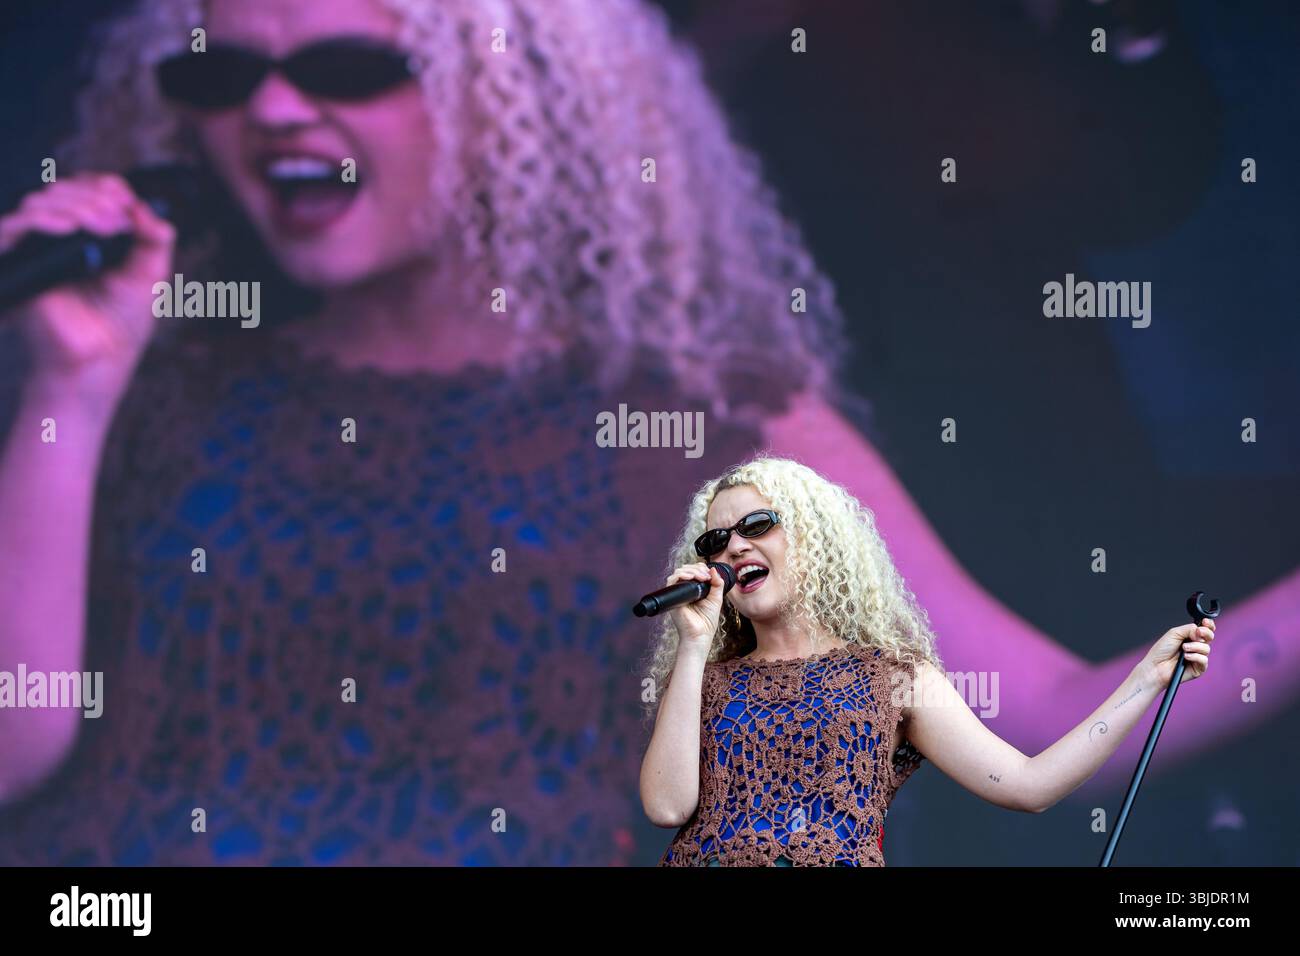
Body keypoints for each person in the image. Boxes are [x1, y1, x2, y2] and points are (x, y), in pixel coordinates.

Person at [0, 0, 1279, 865]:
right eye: (221, 73)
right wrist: (72, 381)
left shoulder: (704, 420)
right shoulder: (135, 378)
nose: (271, 111)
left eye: (347, 65)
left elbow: (1033, 717)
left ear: (521, 100)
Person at [639, 457, 1216, 866]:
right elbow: (666, 806)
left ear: (815, 539)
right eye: (714, 541)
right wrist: (693, 645)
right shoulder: (705, 681)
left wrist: (1147, 680)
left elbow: (1027, 784)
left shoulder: (893, 678)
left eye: (757, 526)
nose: (733, 547)